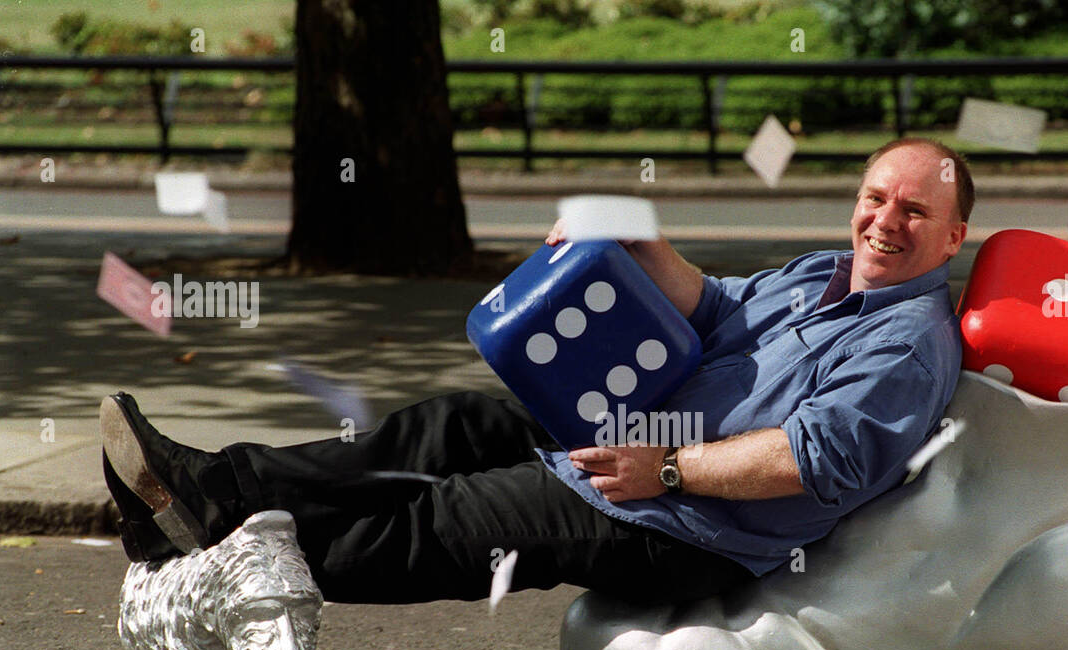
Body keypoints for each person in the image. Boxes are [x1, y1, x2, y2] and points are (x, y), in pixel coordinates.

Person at [102, 137, 972, 607]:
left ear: (951, 235)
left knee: (440, 522)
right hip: (640, 442)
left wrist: (665, 468)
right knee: (444, 428)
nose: (885, 220)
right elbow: (710, 309)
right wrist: (636, 233)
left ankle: (207, 573)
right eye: (875, 197)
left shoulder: (906, 343)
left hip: (682, 520)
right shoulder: (817, 274)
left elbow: (816, 462)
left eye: (914, 210)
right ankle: (214, 490)